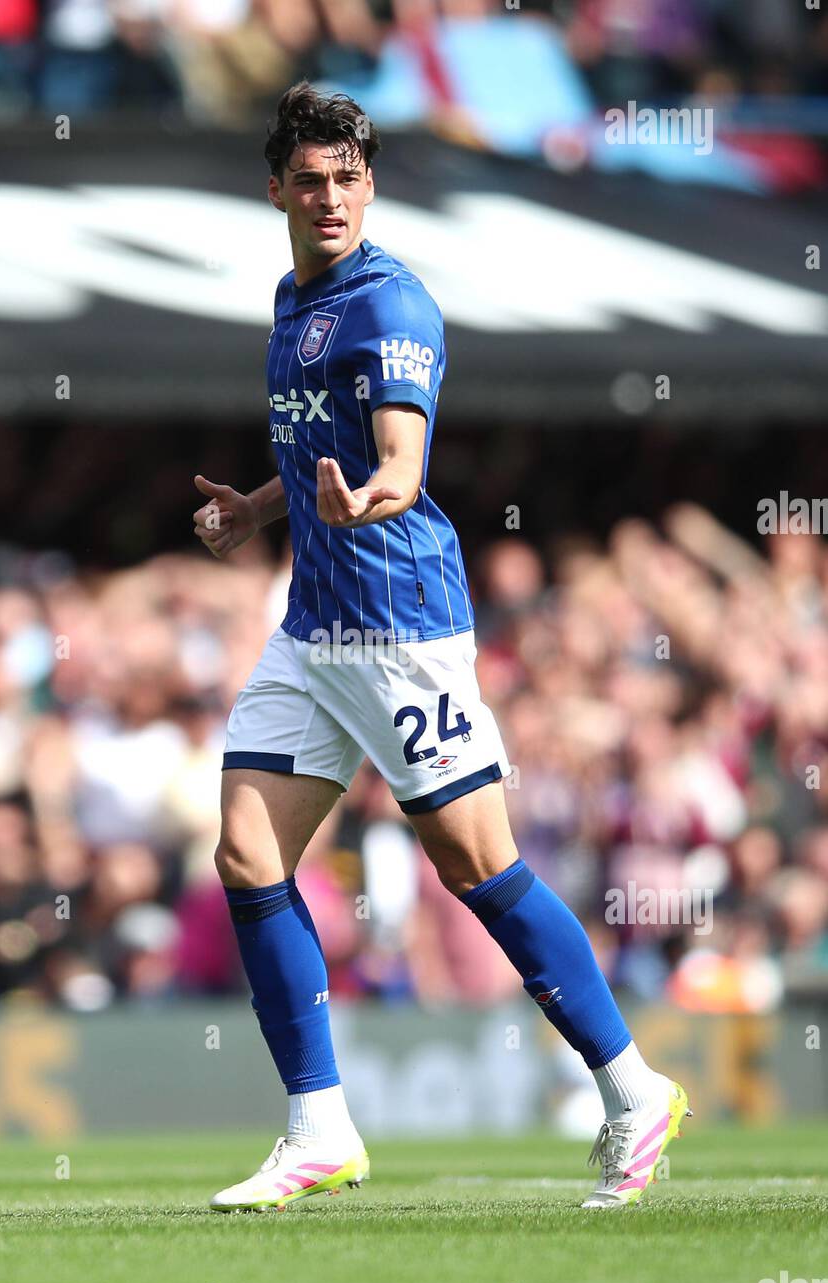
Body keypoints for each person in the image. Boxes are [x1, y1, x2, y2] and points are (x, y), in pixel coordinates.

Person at [193, 79, 690, 1212]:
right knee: (246, 852)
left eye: (349, 180)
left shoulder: (391, 307)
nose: (330, 199)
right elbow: (318, 448)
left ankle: (630, 1086)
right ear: (274, 188)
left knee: (477, 866)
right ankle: (318, 1127)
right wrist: (257, 514)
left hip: (399, 624)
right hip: (315, 624)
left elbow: (398, 464)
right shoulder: (291, 296)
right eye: (310, 181)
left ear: (369, 189)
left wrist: (375, 498)